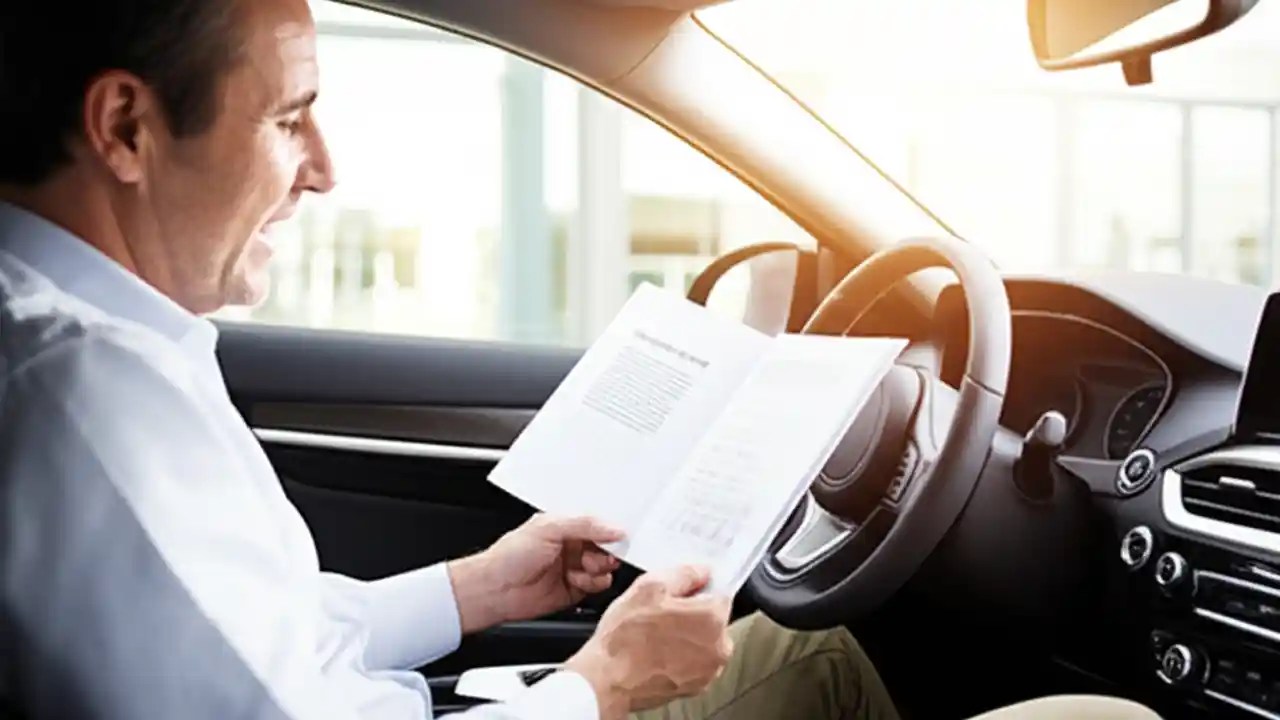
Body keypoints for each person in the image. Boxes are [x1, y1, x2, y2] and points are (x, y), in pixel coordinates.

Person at [0, 1, 1160, 719]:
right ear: (125, 129)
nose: (325, 170)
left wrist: (477, 589)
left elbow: (252, 652)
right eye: (288, 117)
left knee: (825, 658)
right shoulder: (83, 392)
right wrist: (602, 686)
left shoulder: (89, 346)